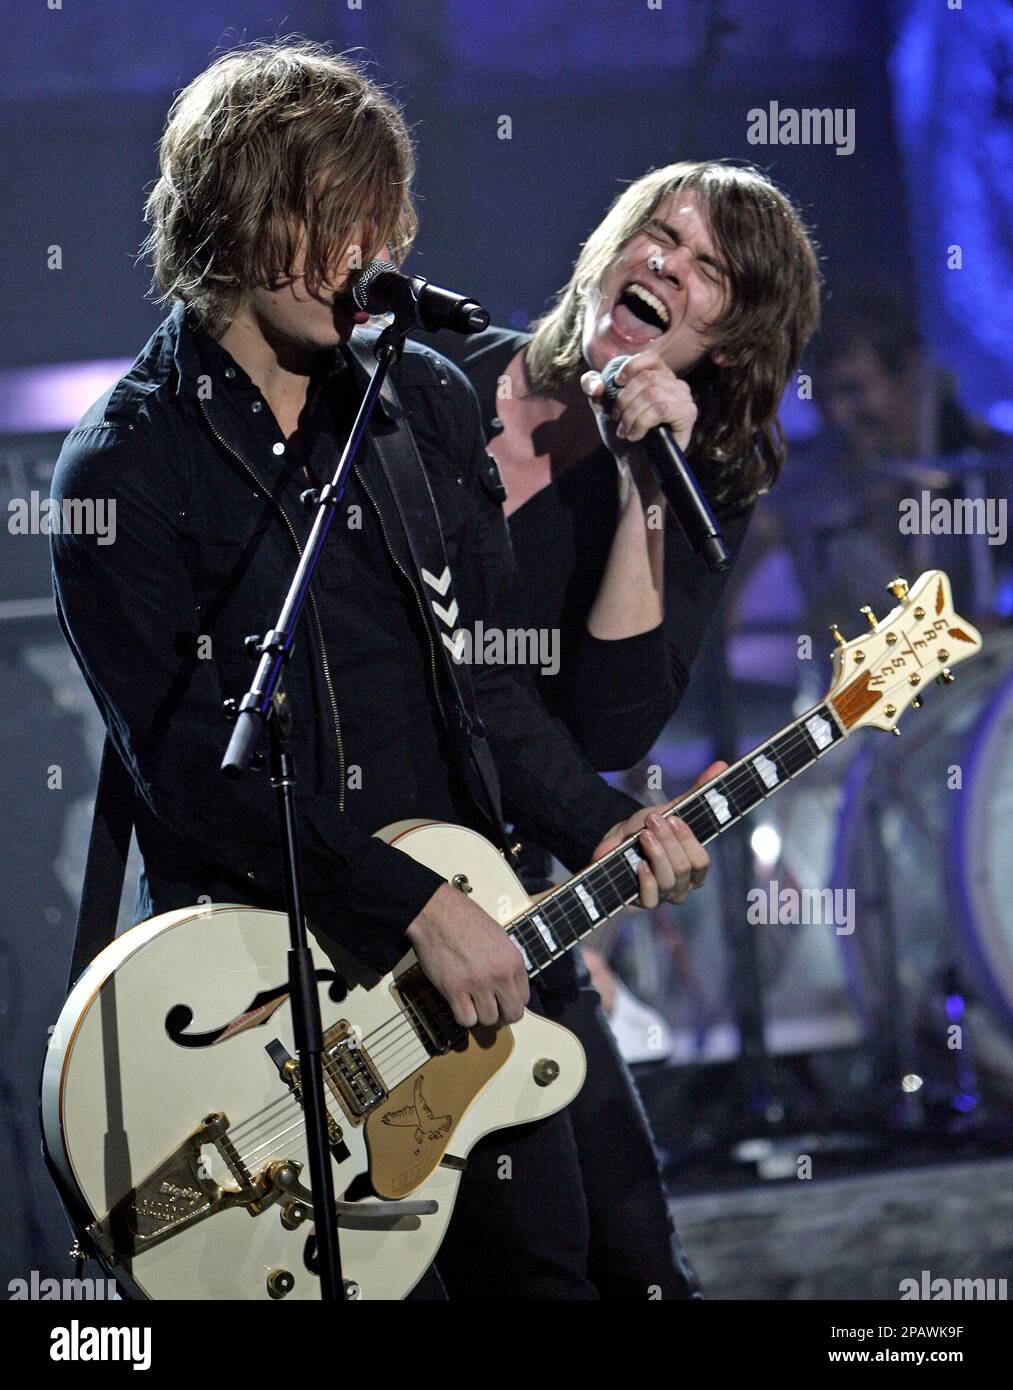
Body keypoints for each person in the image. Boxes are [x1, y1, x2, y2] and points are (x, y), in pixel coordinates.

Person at [50, 40, 721, 1300]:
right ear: (233, 212)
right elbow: (192, 767)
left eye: (376, 218)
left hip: (482, 951)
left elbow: (479, 691)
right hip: (281, 1002)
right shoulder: (122, 472)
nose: (362, 250)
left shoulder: (416, 398)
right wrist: (409, 905)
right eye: (326, 215)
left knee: (552, 1279)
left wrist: (600, 820)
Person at [416, 161, 821, 1292]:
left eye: (705, 273)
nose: (663, 266)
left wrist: (648, 480)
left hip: (516, 881)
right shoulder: (434, 377)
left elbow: (610, 717)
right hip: (383, 871)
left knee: (636, 1257)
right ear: (607, 247)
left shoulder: (695, 491)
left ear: (725, 347)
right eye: (655, 236)